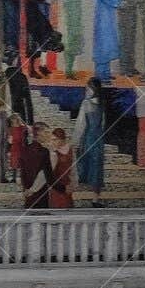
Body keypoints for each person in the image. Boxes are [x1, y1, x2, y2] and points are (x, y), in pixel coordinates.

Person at [74, 77, 110, 206]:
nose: (86, 90)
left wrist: (76, 140)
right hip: (98, 138)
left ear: (93, 89)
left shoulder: (86, 103)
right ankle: (95, 198)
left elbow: (80, 124)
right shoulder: (101, 104)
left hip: (88, 137)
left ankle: (86, 192)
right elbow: (103, 123)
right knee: (97, 166)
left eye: (88, 88)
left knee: (85, 163)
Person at [19, 121, 53, 210]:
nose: (48, 135)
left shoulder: (24, 150)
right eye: (46, 132)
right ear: (38, 133)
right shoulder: (44, 152)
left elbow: (22, 173)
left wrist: (26, 188)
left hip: (28, 191)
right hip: (41, 191)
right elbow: (48, 175)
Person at [48, 127, 76, 209]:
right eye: (52, 139)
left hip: (61, 185)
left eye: (55, 139)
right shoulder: (69, 150)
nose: (52, 142)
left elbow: (73, 169)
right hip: (61, 185)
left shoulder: (55, 153)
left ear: (61, 139)